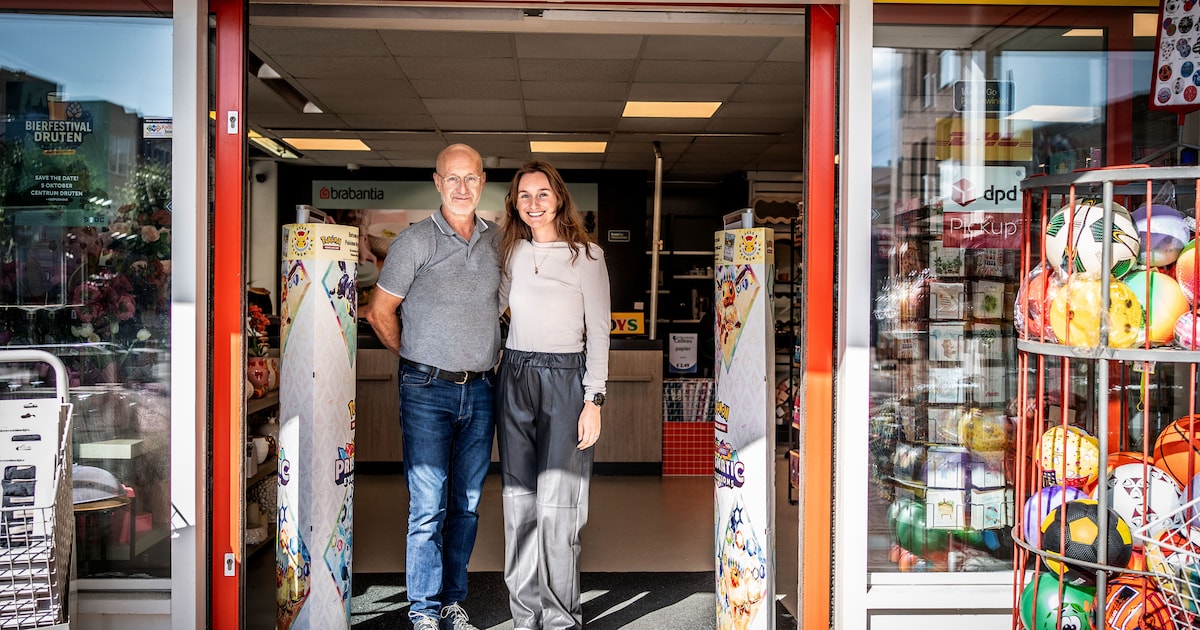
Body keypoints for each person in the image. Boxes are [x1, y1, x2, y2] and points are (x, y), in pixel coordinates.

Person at [362, 143, 500, 630]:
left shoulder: (497, 242)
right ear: (438, 183)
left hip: (482, 390)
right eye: (452, 179)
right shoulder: (414, 242)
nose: (462, 188)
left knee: (467, 502)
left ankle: (451, 601)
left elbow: (501, 305)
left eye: (471, 179)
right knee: (429, 504)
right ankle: (422, 610)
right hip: (426, 389)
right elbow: (379, 311)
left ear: (482, 183)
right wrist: (418, 357)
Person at [495, 160, 610, 630]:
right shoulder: (510, 254)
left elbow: (599, 331)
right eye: (525, 195)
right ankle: (525, 617)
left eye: (543, 194)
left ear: (559, 198)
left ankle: (562, 618)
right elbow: (491, 309)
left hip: (566, 377)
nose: (534, 203)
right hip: (515, 372)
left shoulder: (588, 257)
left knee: (559, 507)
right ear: (515, 203)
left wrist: (594, 399)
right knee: (518, 504)